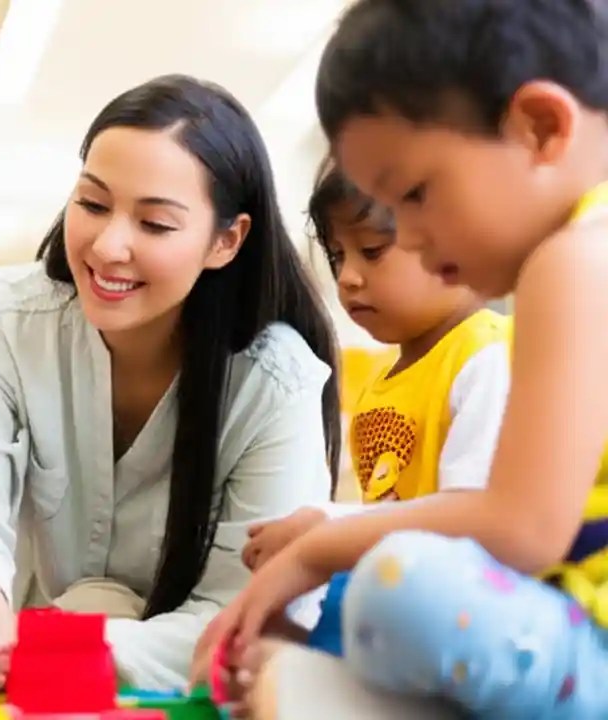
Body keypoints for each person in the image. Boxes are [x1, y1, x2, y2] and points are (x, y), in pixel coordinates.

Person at [207, 1, 608, 717]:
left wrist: (319, 549)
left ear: (541, 128)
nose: (414, 237)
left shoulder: (574, 257)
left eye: (415, 195)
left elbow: (521, 529)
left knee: (402, 584)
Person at [0, 73, 342, 691]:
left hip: (145, 686)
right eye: (93, 204)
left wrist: (52, 645)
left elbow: (245, 618)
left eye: (155, 224)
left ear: (226, 240)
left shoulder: (274, 381)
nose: (108, 245)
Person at [231, 159, 512, 660]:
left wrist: (328, 524)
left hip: (466, 611)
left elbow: (477, 526)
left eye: (373, 251)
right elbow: (393, 515)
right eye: (339, 255)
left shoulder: (486, 358)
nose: (348, 279)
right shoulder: (386, 379)